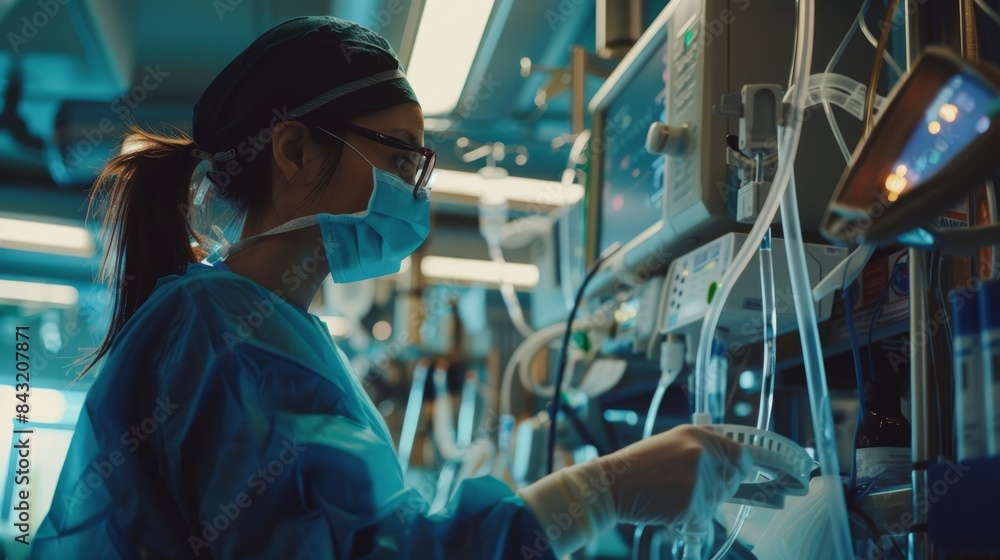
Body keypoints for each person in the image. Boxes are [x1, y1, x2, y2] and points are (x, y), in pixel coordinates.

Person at [30, 16, 752, 560]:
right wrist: (601, 492)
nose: (414, 190)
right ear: (293, 149)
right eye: (401, 155)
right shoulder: (223, 338)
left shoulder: (268, 332)